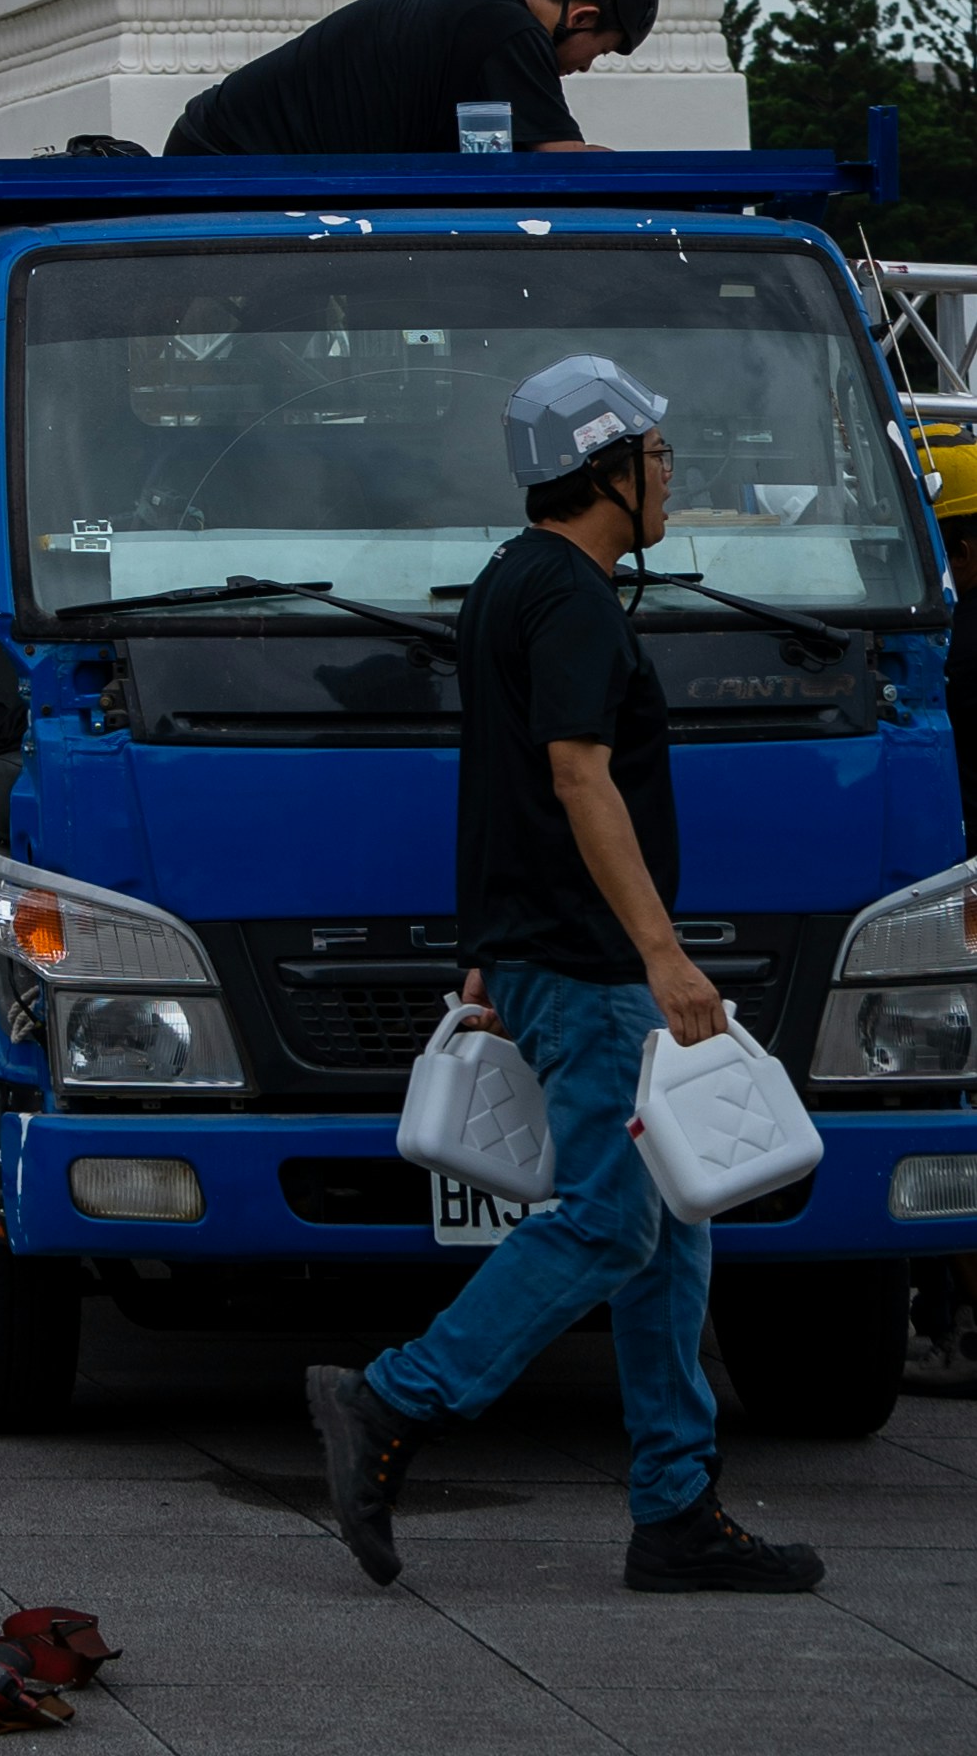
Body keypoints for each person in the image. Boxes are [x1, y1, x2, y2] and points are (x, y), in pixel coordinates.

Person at [311, 351, 820, 1600]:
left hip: (542, 947)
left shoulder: (507, 582)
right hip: (592, 967)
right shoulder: (576, 600)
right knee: (609, 1218)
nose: (666, 477)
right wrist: (661, 953)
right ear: (599, 466)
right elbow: (574, 776)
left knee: (667, 1229)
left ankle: (675, 1508)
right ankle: (389, 1398)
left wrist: (489, 939)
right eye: (652, 456)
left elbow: (493, 781)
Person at [166, 0, 657, 162]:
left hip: (217, 148)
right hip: (230, 163)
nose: (586, 66)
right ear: (583, 15)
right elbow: (562, 167)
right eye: (603, 49)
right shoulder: (507, 27)